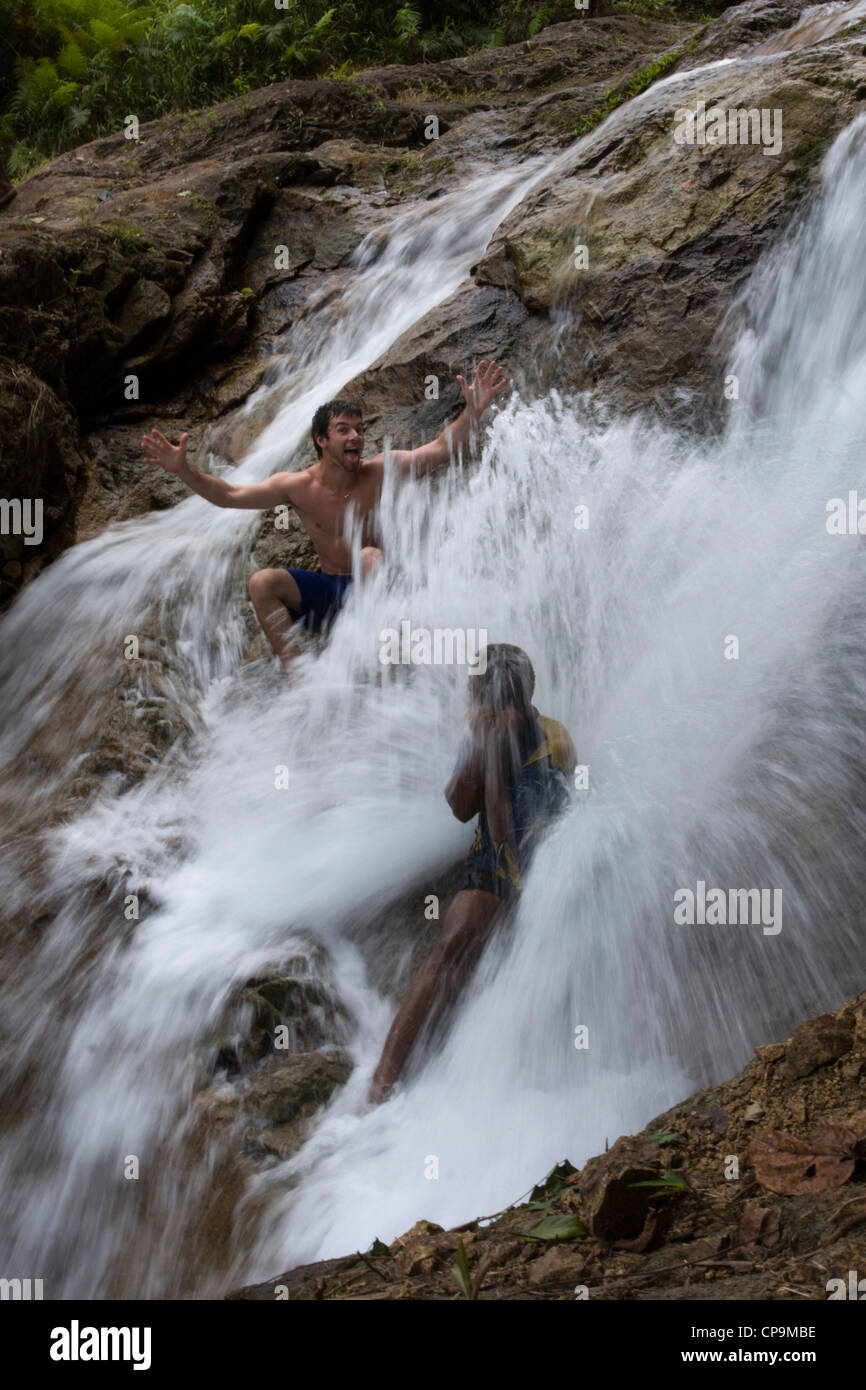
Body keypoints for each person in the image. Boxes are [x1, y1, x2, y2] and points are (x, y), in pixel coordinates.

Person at [141, 361, 508, 670]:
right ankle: (299, 676)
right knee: (261, 583)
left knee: (369, 556)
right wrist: (183, 472)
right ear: (321, 440)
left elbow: (443, 448)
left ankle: (380, 656)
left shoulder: (382, 470)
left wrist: (472, 411)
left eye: (360, 430)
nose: (356, 438)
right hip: (332, 595)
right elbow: (230, 495)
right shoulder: (298, 486)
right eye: (343, 430)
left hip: (384, 590)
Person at [368, 644, 576, 1104]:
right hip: (492, 863)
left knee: (479, 956)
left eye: (477, 697)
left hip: (543, 870)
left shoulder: (551, 742)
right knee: (448, 949)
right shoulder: (485, 729)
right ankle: (381, 1085)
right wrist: (484, 745)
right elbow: (460, 806)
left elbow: (510, 834)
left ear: (505, 705)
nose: (469, 708)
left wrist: (496, 751)